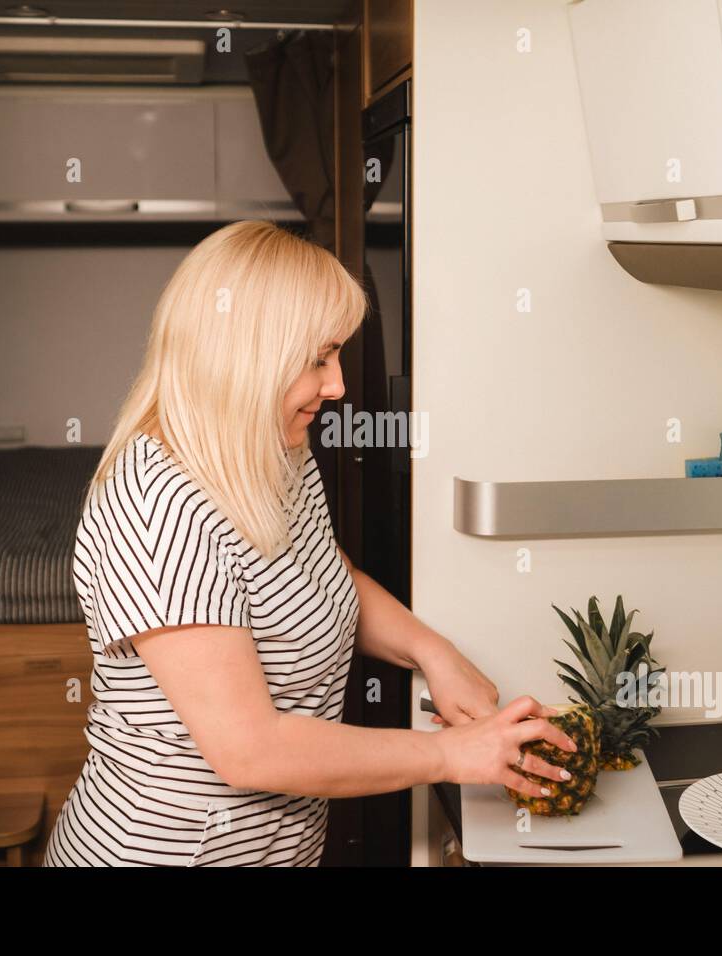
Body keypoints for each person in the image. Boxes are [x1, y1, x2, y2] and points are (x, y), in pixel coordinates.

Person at [43, 220, 575, 867]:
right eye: (317, 358)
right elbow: (250, 749)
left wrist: (433, 651)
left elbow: (328, 575)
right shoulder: (160, 505)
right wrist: (449, 754)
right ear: (244, 355)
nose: (338, 385)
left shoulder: (272, 450)